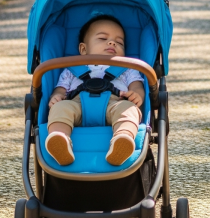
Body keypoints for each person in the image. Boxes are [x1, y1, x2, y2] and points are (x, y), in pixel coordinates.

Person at [46, 16, 144, 167]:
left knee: (129, 109)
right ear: (83, 49)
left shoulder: (127, 69)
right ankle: (60, 139)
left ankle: (123, 139)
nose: (112, 43)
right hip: (76, 106)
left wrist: (137, 95)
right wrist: (56, 96)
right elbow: (60, 90)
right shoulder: (71, 69)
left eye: (119, 42)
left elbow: (137, 87)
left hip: (115, 104)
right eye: (103, 38)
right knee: (60, 107)